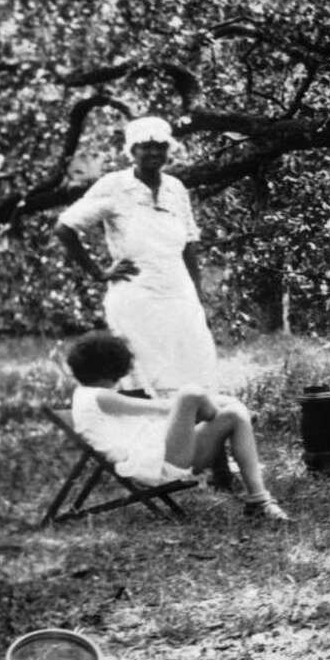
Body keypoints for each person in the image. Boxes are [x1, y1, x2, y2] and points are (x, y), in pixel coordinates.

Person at [56, 116, 217, 393]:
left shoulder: (175, 188)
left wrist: (197, 289)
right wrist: (98, 273)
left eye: (160, 146)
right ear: (131, 150)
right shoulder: (115, 186)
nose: (154, 152)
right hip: (137, 294)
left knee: (192, 365)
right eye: (145, 146)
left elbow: (190, 242)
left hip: (178, 292)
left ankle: (190, 430)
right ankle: (143, 428)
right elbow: (65, 227)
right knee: (140, 370)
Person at [64, 331, 290, 521]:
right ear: (113, 368)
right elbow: (163, 408)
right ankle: (215, 412)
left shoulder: (88, 395)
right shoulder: (98, 397)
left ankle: (259, 500)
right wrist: (220, 402)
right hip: (152, 465)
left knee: (235, 413)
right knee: (191, 393)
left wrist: (226, 404)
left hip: (162, 455)